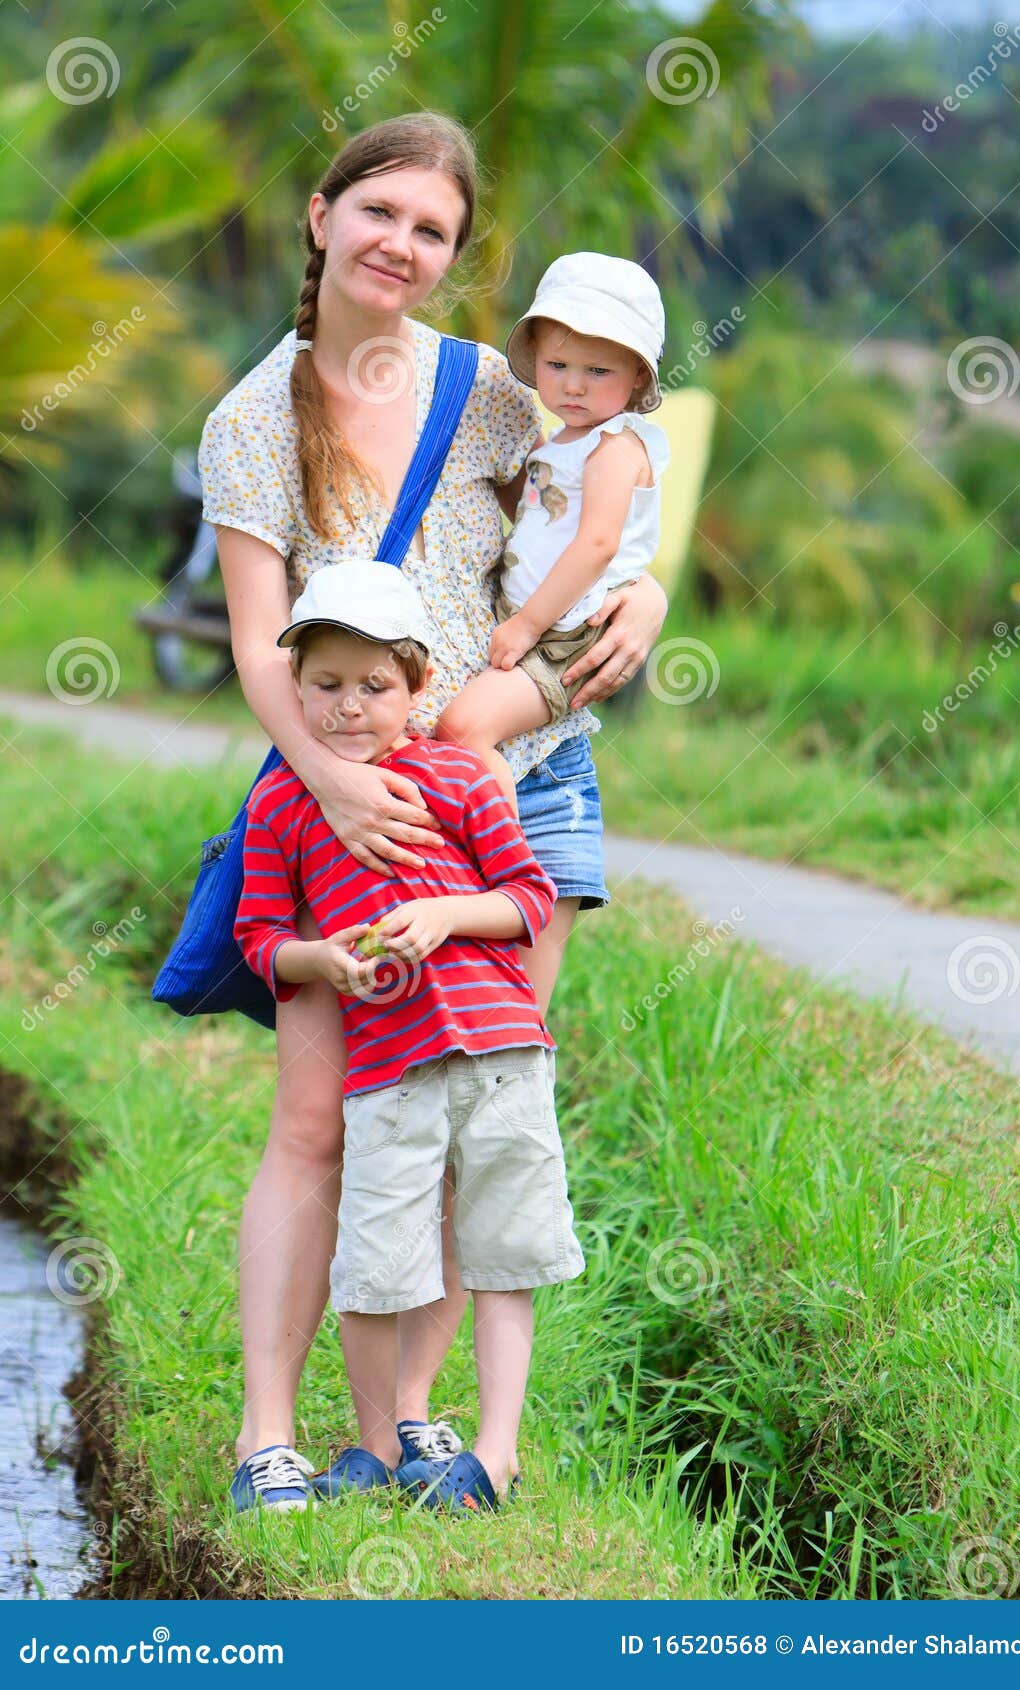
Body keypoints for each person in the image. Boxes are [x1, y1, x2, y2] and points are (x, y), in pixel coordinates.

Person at [197, 110, 668, 1510]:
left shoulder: (501, 395)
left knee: (471, 1110)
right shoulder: (249, 418)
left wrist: (642, 594)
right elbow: (253, 638)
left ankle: (404, 1430)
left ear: (453, 256)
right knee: (316, 1124)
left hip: (520, 794)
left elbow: (610, 509)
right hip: (342, 799)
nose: (400, 244)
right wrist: (333, 781)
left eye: (433, 230)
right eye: (380, 213)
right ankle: (267, 1435)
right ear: (321, 216)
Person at [232, 560, 584, 1512]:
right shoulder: (281, 806)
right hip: (386, 1071)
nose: (349, 708)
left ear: (418, 688)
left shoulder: (458, 777)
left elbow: (529, 897)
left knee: (503, 1244)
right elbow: (260, 940)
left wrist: (447, 913)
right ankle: (376, 1443)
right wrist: (322, 960)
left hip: (504, 1053)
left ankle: (494, 1452)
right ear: (293, 687)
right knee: (375, 1257)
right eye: (327, 686)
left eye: (374, 686)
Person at [437, 253, 670, 815]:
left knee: (464, 728)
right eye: (559, 365)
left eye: (598, 371)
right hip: (540, 619)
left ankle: (509, 864)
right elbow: (539, 516)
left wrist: (525, 624)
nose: (573, 386)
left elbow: (597, 545)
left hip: (567, 632)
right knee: (453, 723)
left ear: (637, 376)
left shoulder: (614, 448)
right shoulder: (562, 443)